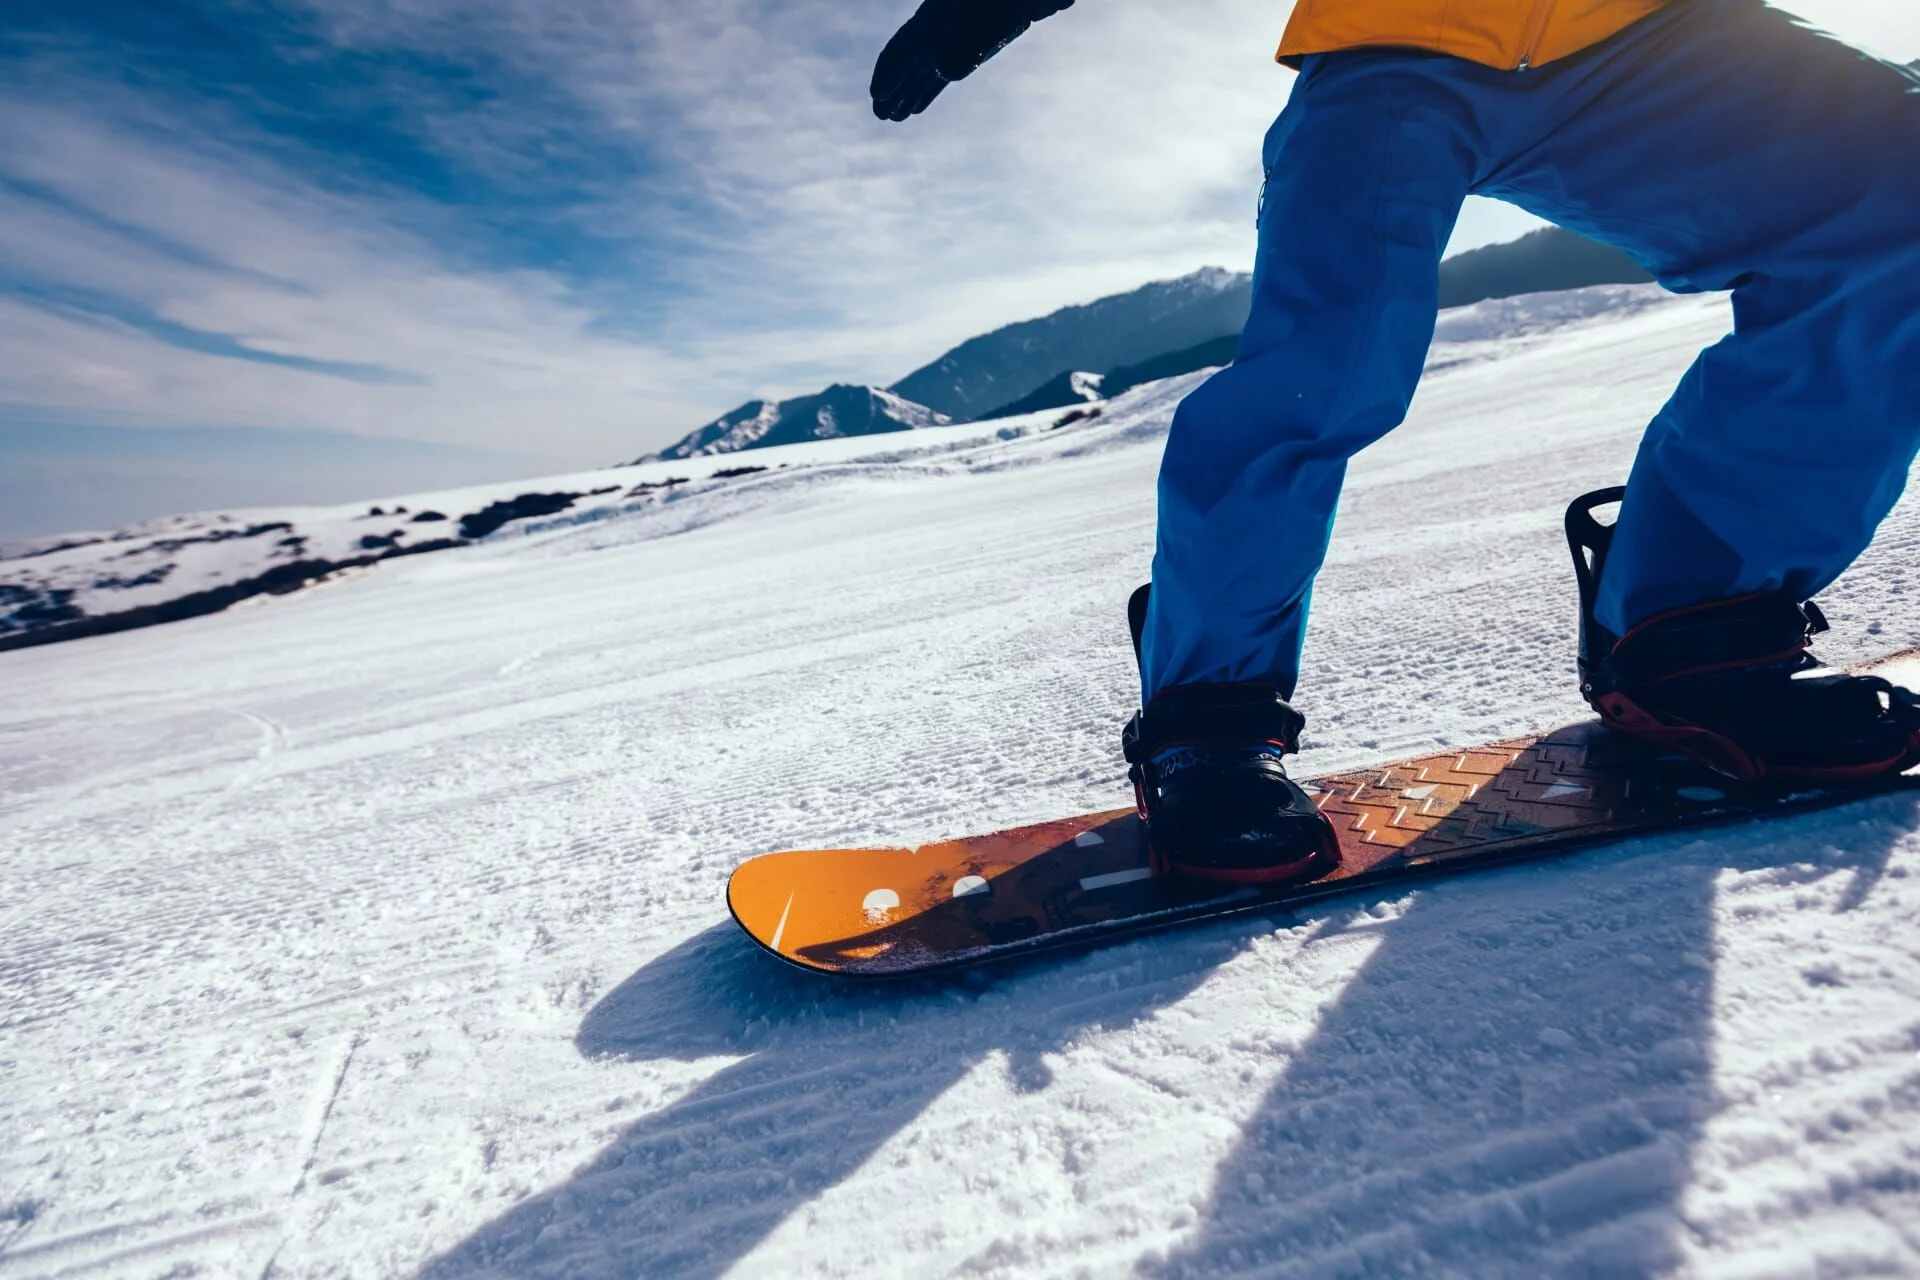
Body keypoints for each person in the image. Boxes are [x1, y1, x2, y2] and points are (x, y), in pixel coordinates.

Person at [871, 0, 1920, 884]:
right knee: (1323, 362)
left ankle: (1691, 634)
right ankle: (1212, 712)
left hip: (1654, 35)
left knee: (1897, 193)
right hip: (1399, 40)